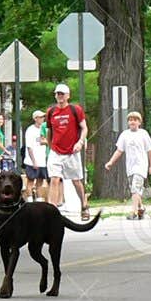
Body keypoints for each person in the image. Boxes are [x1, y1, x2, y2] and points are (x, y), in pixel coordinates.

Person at [45, 83, 89, 214]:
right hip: (56, 151)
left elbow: (84, 128)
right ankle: (51, 210)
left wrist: (80, 142)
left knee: (76, 181)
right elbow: (49, 131)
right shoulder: (51, 112)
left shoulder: (75, 110)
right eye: (57, 94)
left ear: (68, 96)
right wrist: (50, 145)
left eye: (62, 94)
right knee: (54, 179)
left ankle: (84, 204)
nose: (60, 96)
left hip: (72, 151)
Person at [105, 111, 151, 219]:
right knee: (134, 189)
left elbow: (149, 150)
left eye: (135, 120)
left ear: (139, 122)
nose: (132, 122)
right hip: (130, 167)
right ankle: (141, 208)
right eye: (130, 120)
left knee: (135, 188)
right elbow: (119, 151)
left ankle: (133, 212)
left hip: (141, 166)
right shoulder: (125, 134)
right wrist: (110, 162)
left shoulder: (143, 134)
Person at [23, 109, 48, 201]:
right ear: (35, 118)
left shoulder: (44, 129)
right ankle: (29, 200)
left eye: (43, 117)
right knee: (30, 181)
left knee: (40, 182)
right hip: (32, 161)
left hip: (42, 161)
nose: (43, 119)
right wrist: (34, 161)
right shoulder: (30, 130)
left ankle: (39, 200)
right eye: (40, 117)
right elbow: (29, 147)